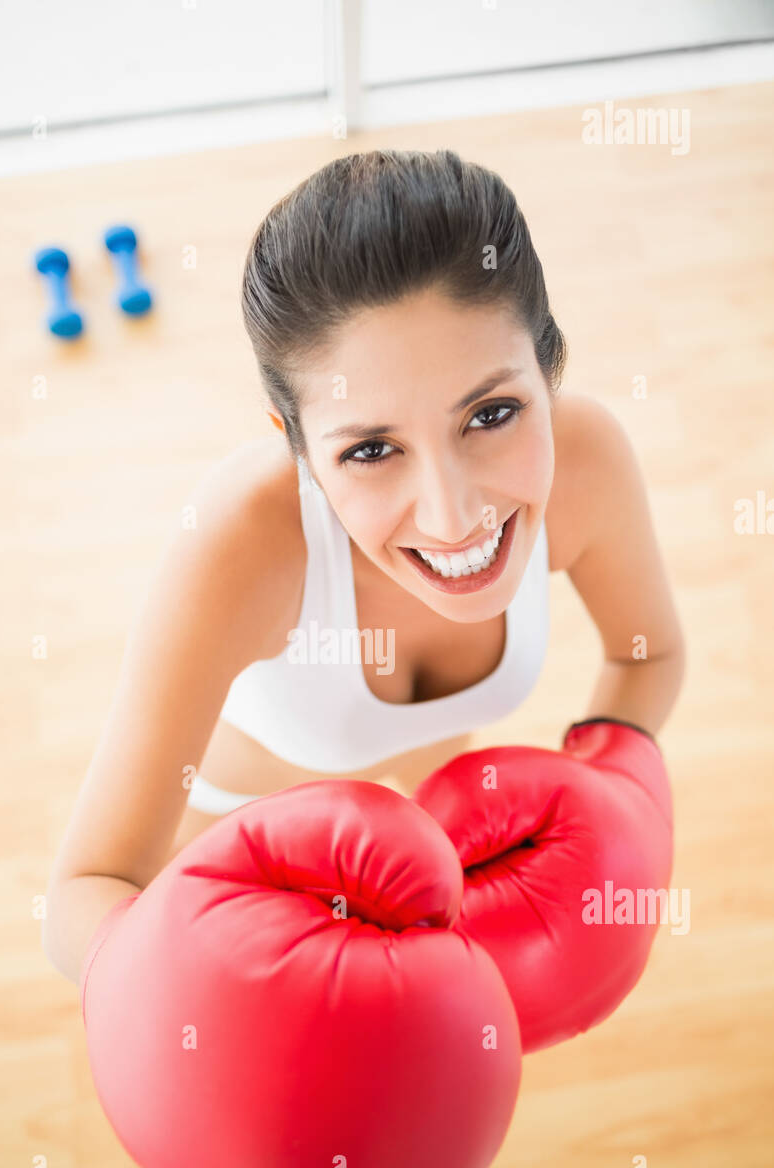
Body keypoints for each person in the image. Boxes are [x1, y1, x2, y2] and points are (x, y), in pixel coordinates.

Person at [44, 148, 685, 985]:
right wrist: (172, 993)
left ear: (548, 368)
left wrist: (613, 792)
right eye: (373, 449)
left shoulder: (587, 459)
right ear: (298, 448)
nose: (454, 516)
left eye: (492, 413)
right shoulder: (242, 542)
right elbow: (84, 892)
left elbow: (649, 654)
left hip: (444, 824)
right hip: (248, 837)